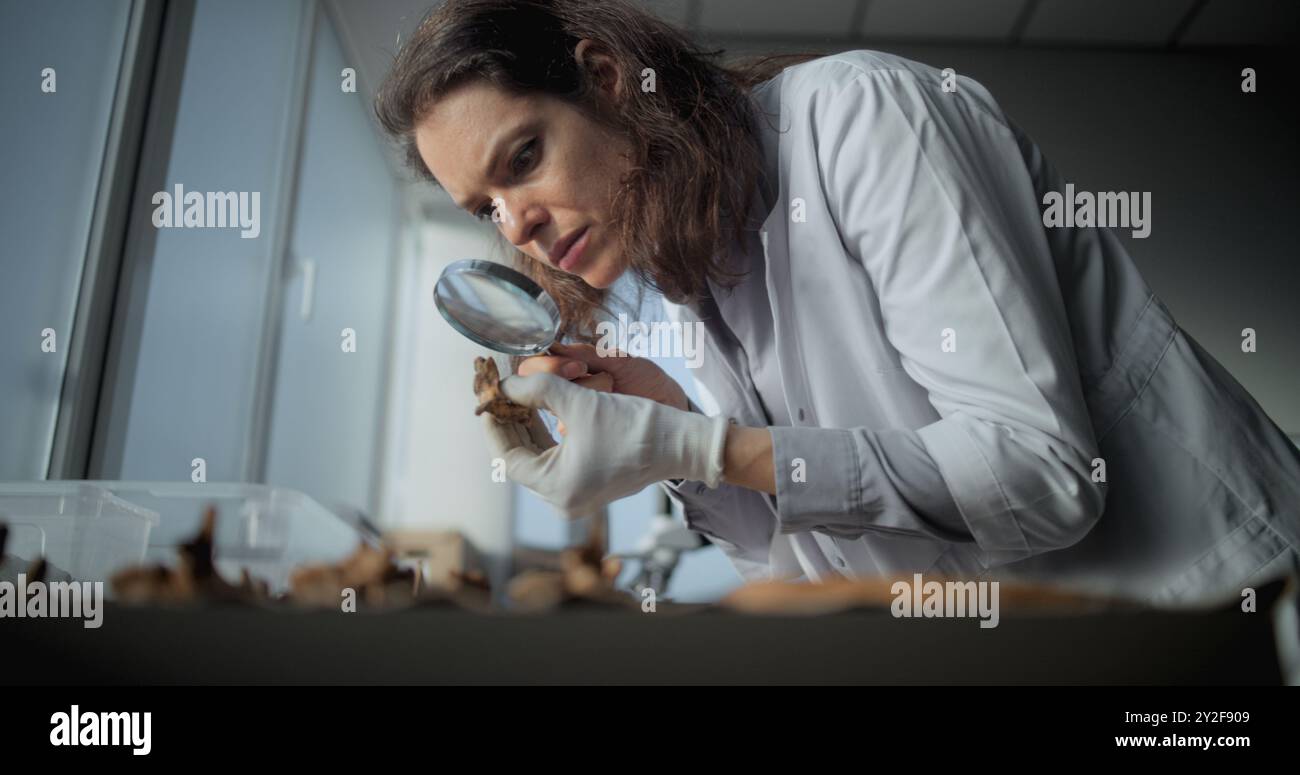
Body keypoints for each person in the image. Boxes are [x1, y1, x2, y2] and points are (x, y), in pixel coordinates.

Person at [375, 0, 1300, 606]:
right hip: (1051, 652)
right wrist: (682, 446)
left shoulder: (862, 120)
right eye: (485, 208)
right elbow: (807, 559)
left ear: (609, 82)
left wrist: (717, 446)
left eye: (524, 157)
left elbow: (1044, 477)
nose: (519, 222)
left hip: (1215, 617)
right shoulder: (679, 268)